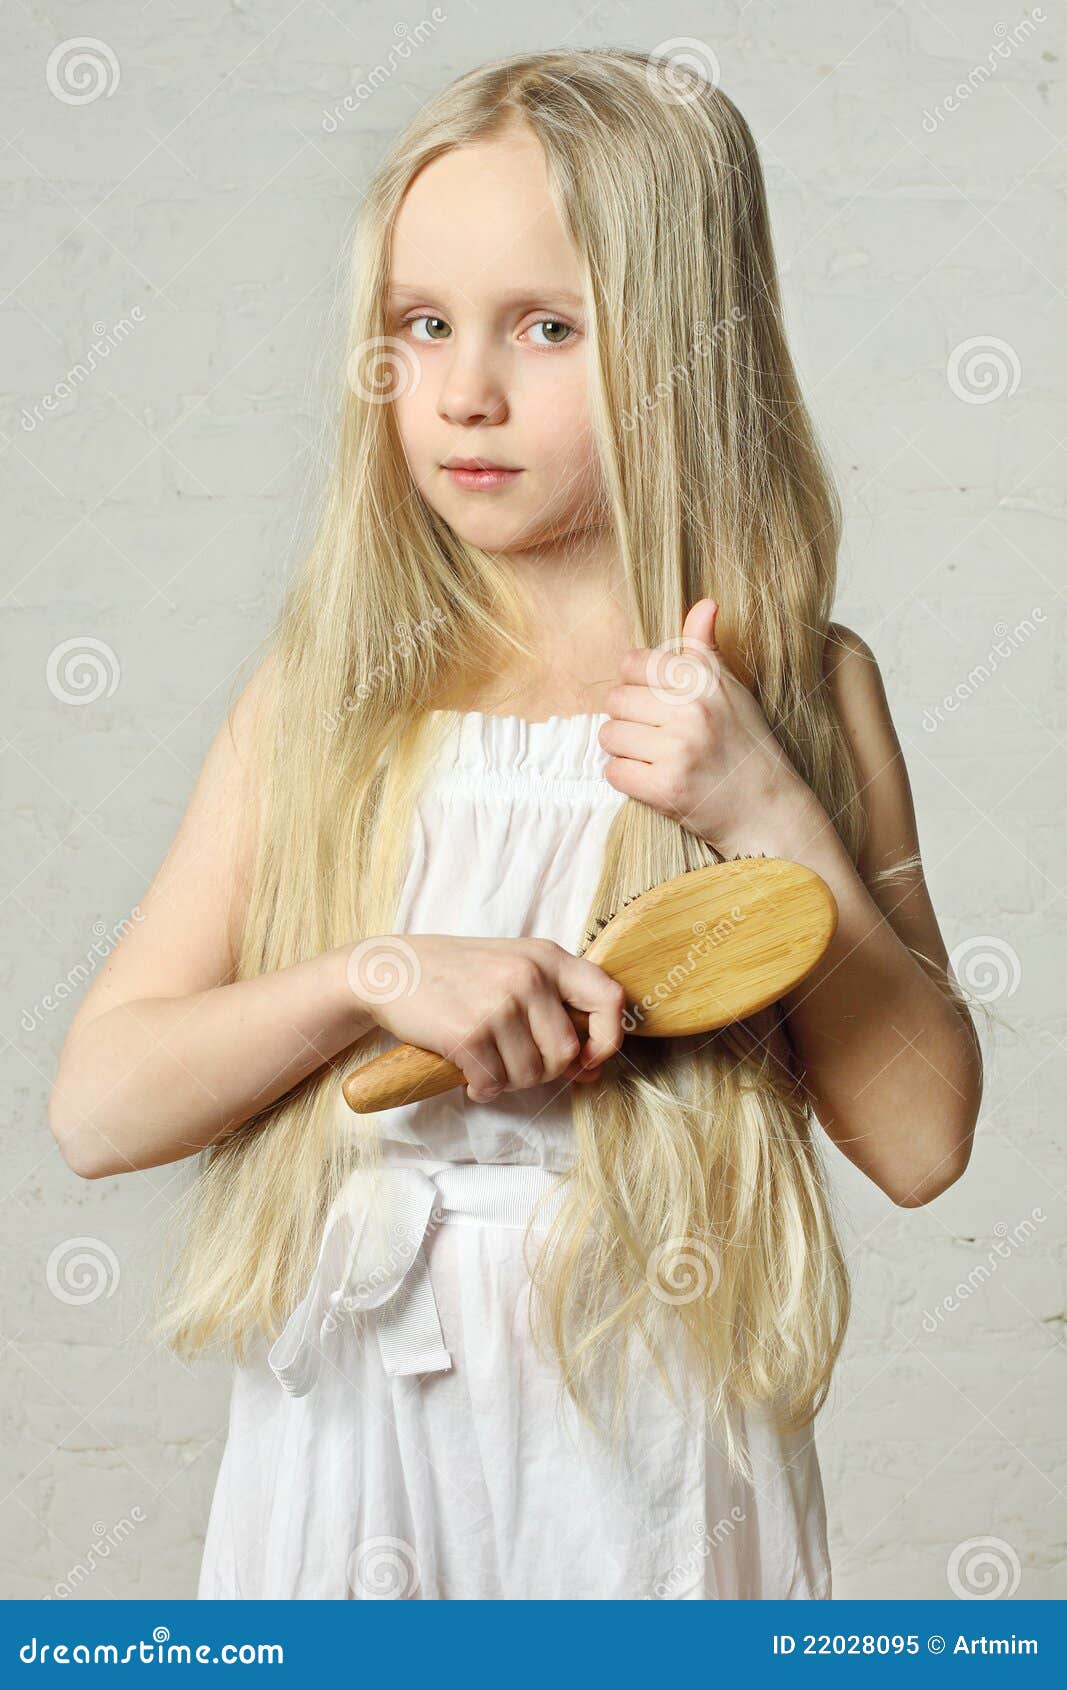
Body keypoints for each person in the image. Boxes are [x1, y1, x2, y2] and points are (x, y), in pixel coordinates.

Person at [49, 48, 983, 1600]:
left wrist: (766, 813)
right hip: (355, 1438)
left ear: (682, 345)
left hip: (654, 1421)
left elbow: (925, 1140)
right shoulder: (328, 695)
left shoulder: (801, 689)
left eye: (547, 327)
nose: (463, 390)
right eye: (421, 327)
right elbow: (98, 1105)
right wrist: (370, 975)